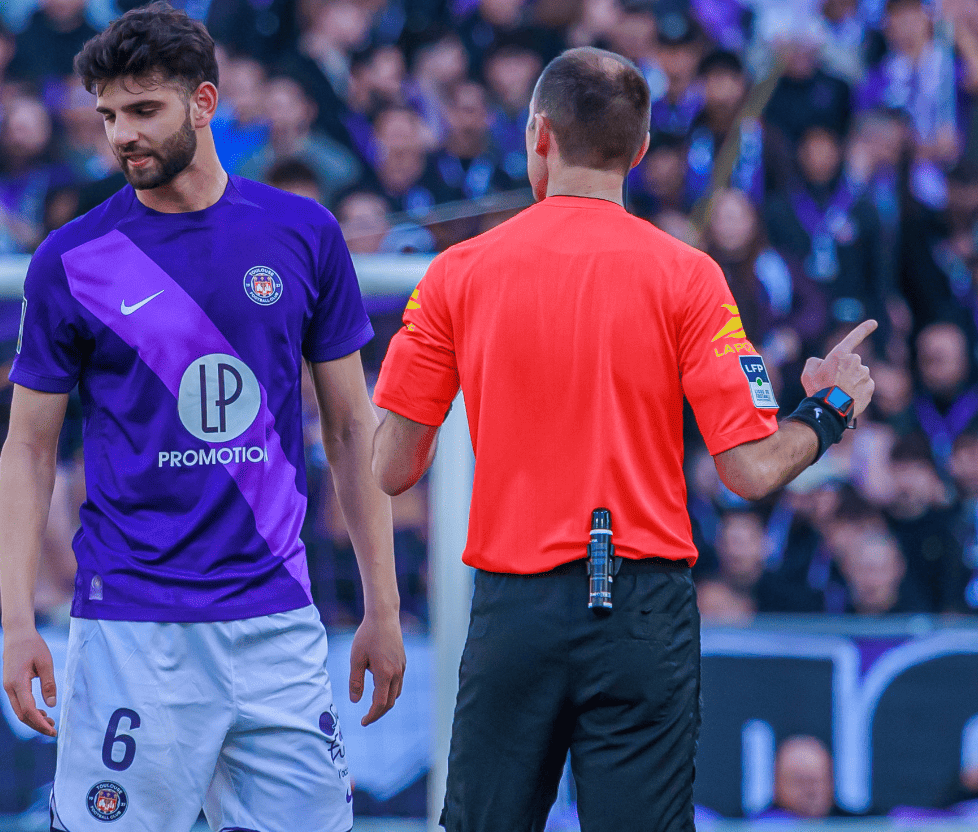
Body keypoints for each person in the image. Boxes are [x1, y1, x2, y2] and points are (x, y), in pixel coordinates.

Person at [369, 46, 876, 832]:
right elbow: (748, 469)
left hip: (514, 604)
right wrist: (831, 408)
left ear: (539, 134)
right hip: (642, 606)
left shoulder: (458, 274)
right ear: (639, 151)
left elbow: (394, 466)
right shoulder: (688, 275)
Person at [0, 6, 406, 831]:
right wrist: (15, 624)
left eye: (143, 110)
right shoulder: (71, 258)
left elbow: (354, 429)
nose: (121, 136)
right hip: (131, 627)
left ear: (205, 101)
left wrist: (384, 607)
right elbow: (27, 448)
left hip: (278, 620)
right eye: (109, 116)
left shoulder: (303, 233)